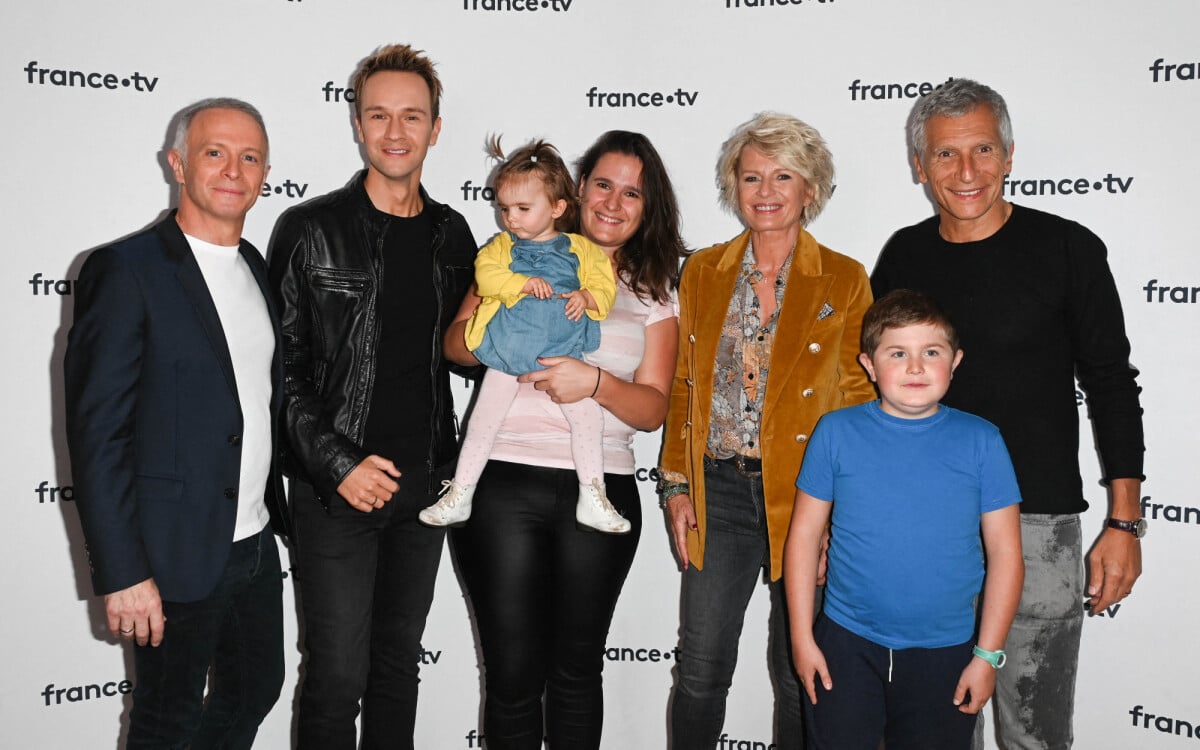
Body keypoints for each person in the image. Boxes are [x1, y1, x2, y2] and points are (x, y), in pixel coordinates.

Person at [871, 78, 1145, 749]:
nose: (966, 172)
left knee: (1036, 736)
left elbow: (1110, 383)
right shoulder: (903, 256)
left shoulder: (1067, 248)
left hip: (1039, 525)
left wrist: (1124, 521)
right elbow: (872, 399)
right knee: (934, 731)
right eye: (945, 155)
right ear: (918, 165)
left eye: (983, 150)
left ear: (1010, 154)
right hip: (925, 528)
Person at [445, 130, 687, 749]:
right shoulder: (516, 248)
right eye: (603, 184)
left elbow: (654, 408)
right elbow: (454, 349)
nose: (614, 201)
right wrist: (508, 310)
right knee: (511, 678)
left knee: (577, 673)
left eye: (632, 192)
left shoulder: (655, 291)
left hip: (599, 490)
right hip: (501, 482)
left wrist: (594, 380)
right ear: (575, 192)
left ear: (647, 206)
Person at [267, 44, 477, 750]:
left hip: (423, 485)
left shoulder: (455, 236)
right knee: (333, 677)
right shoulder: (309, 228)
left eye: (412, 116)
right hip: (337, 493)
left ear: (435, 129)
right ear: (356, 124)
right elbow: (281, 371)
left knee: (397, 669)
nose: (395, 132)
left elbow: (473, 354)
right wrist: (337, 464)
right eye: (379, 115)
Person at [64, 98, 288, 748]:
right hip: (169, 551)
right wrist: (124, 572)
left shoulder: (255, 268)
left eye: (250, 157)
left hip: (252, 540)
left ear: (265, 173)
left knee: (255, 690)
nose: (232, 170)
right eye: (214, 152)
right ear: (178, 163)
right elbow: (97, 435)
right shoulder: (126, 270)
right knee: (167, 721)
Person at [657, 112, 877, 749]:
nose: (765, 189)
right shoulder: (702, 271)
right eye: (750, 176)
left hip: (807, 498)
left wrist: (845, 512)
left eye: (783, 175)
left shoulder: (844, 277)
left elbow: (862, 401)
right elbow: (682, 386)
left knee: (797, 669)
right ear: (733, 187)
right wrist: (676, 487)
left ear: (811, 188)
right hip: (717, 491)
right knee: (700, 668)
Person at [784, 289, 1024, 750]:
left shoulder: (982, 441)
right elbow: (804, 538)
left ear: (954, 362)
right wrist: (801, 638)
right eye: (898, 353)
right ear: (869, 365)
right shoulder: (835, 432)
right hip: (844, 646)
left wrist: (987, 657)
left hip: (948, 653)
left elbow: (1006, 555)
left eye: (930, 352)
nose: (915, 367)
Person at [418, 138, 627, 533]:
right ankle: (461, 493)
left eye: (522, 209)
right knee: (483, 421)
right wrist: (520, 282)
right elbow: (485, 276)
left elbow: (605, 288)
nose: (511, 219)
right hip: (506, 356)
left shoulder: (583, 251)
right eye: (505, 209)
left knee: (588, 421)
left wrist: (587, 297)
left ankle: (593, 496)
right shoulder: (499, 247)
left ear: (558, 208)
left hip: (562, 359)